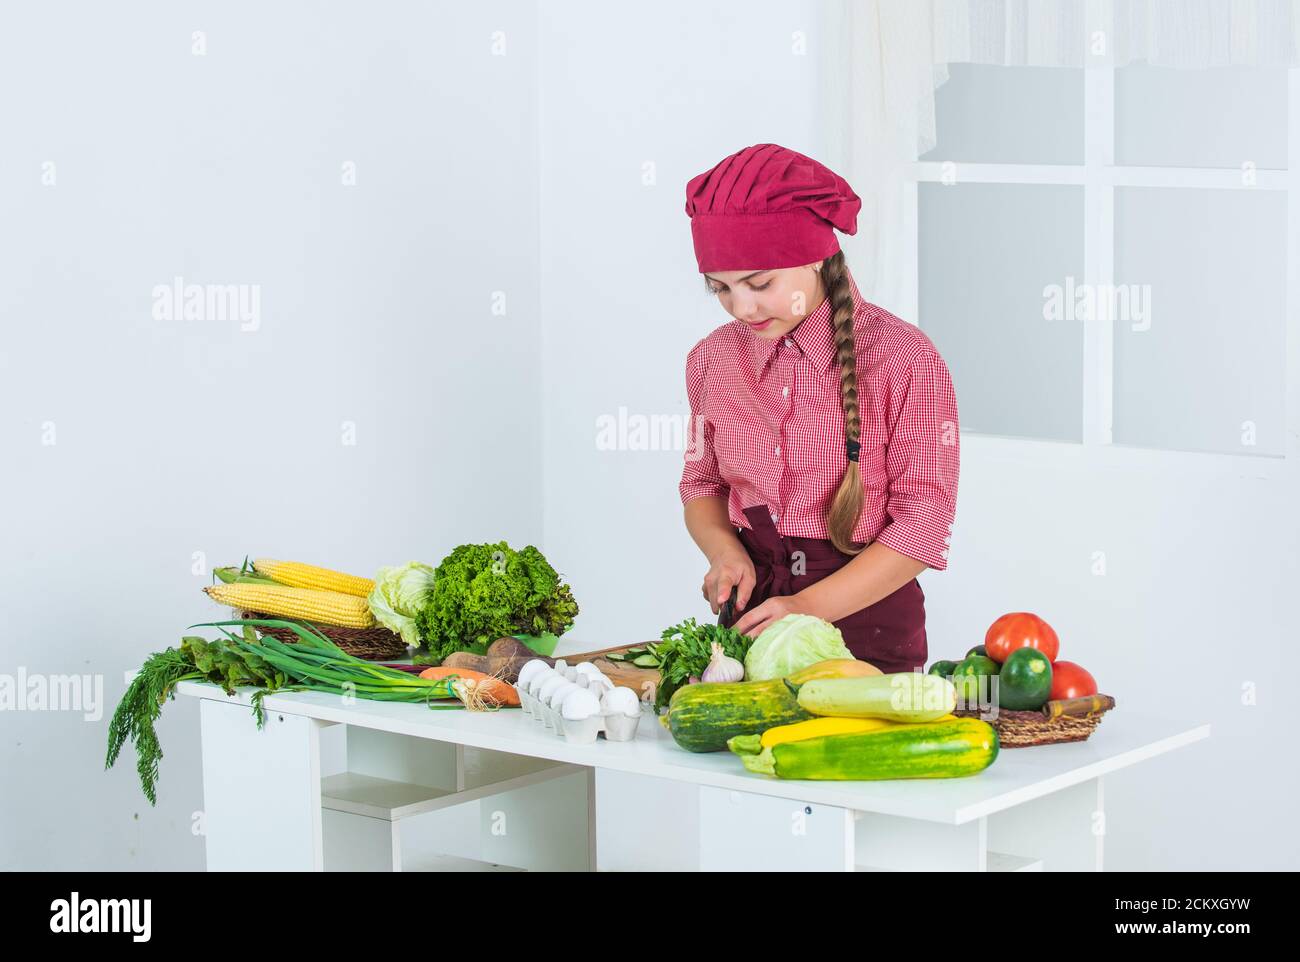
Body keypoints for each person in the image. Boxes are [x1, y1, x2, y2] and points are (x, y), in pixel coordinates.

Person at [679, 143, 960, 674]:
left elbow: (923, 525)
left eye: (760, 283)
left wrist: (806, 609)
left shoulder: (905, 359)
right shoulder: (710, 359)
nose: (741, 308)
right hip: (755, 619)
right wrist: (725, 552)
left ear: (816, 256)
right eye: (720, 287)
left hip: (867, 625)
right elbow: (702, 484)